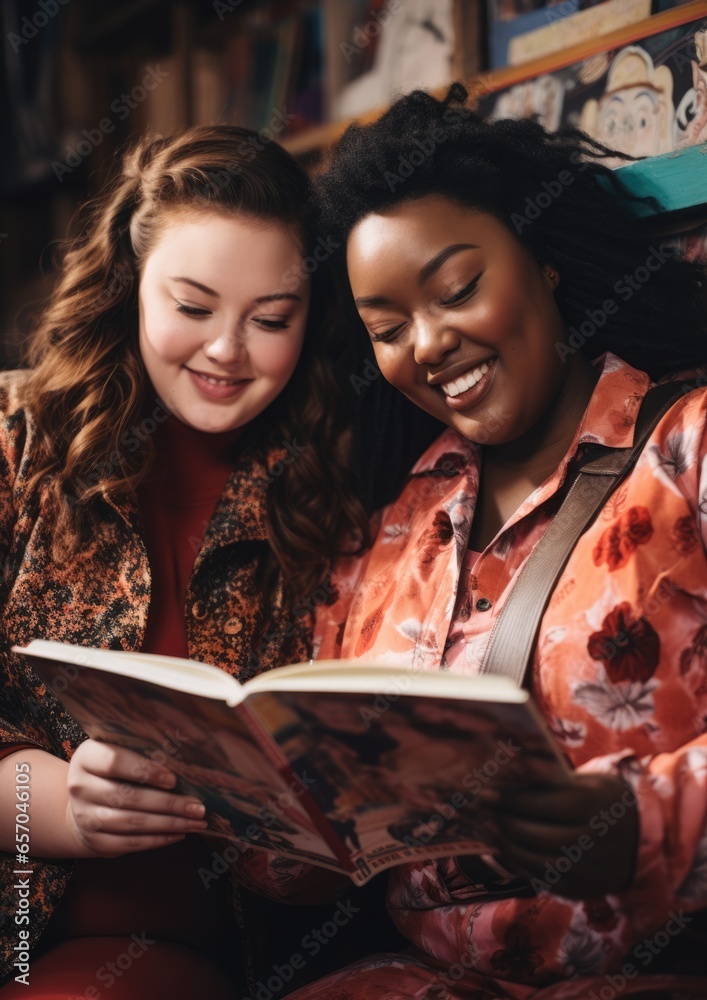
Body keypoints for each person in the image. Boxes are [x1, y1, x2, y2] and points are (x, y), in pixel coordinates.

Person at [284, 84, 707, 998]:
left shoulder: (689, 443)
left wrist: (646, 824)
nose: (428, 344)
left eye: (458, 288)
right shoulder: (381, 531)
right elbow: (313, 848)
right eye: (387, 329)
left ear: (541, 262)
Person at [0, 124, 369, 998]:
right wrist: (52, 809)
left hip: (195, 949)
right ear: (130, 286)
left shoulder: (338, 487)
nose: (226, 352)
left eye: (270, 319)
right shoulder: (20, 445)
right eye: (193, 307)